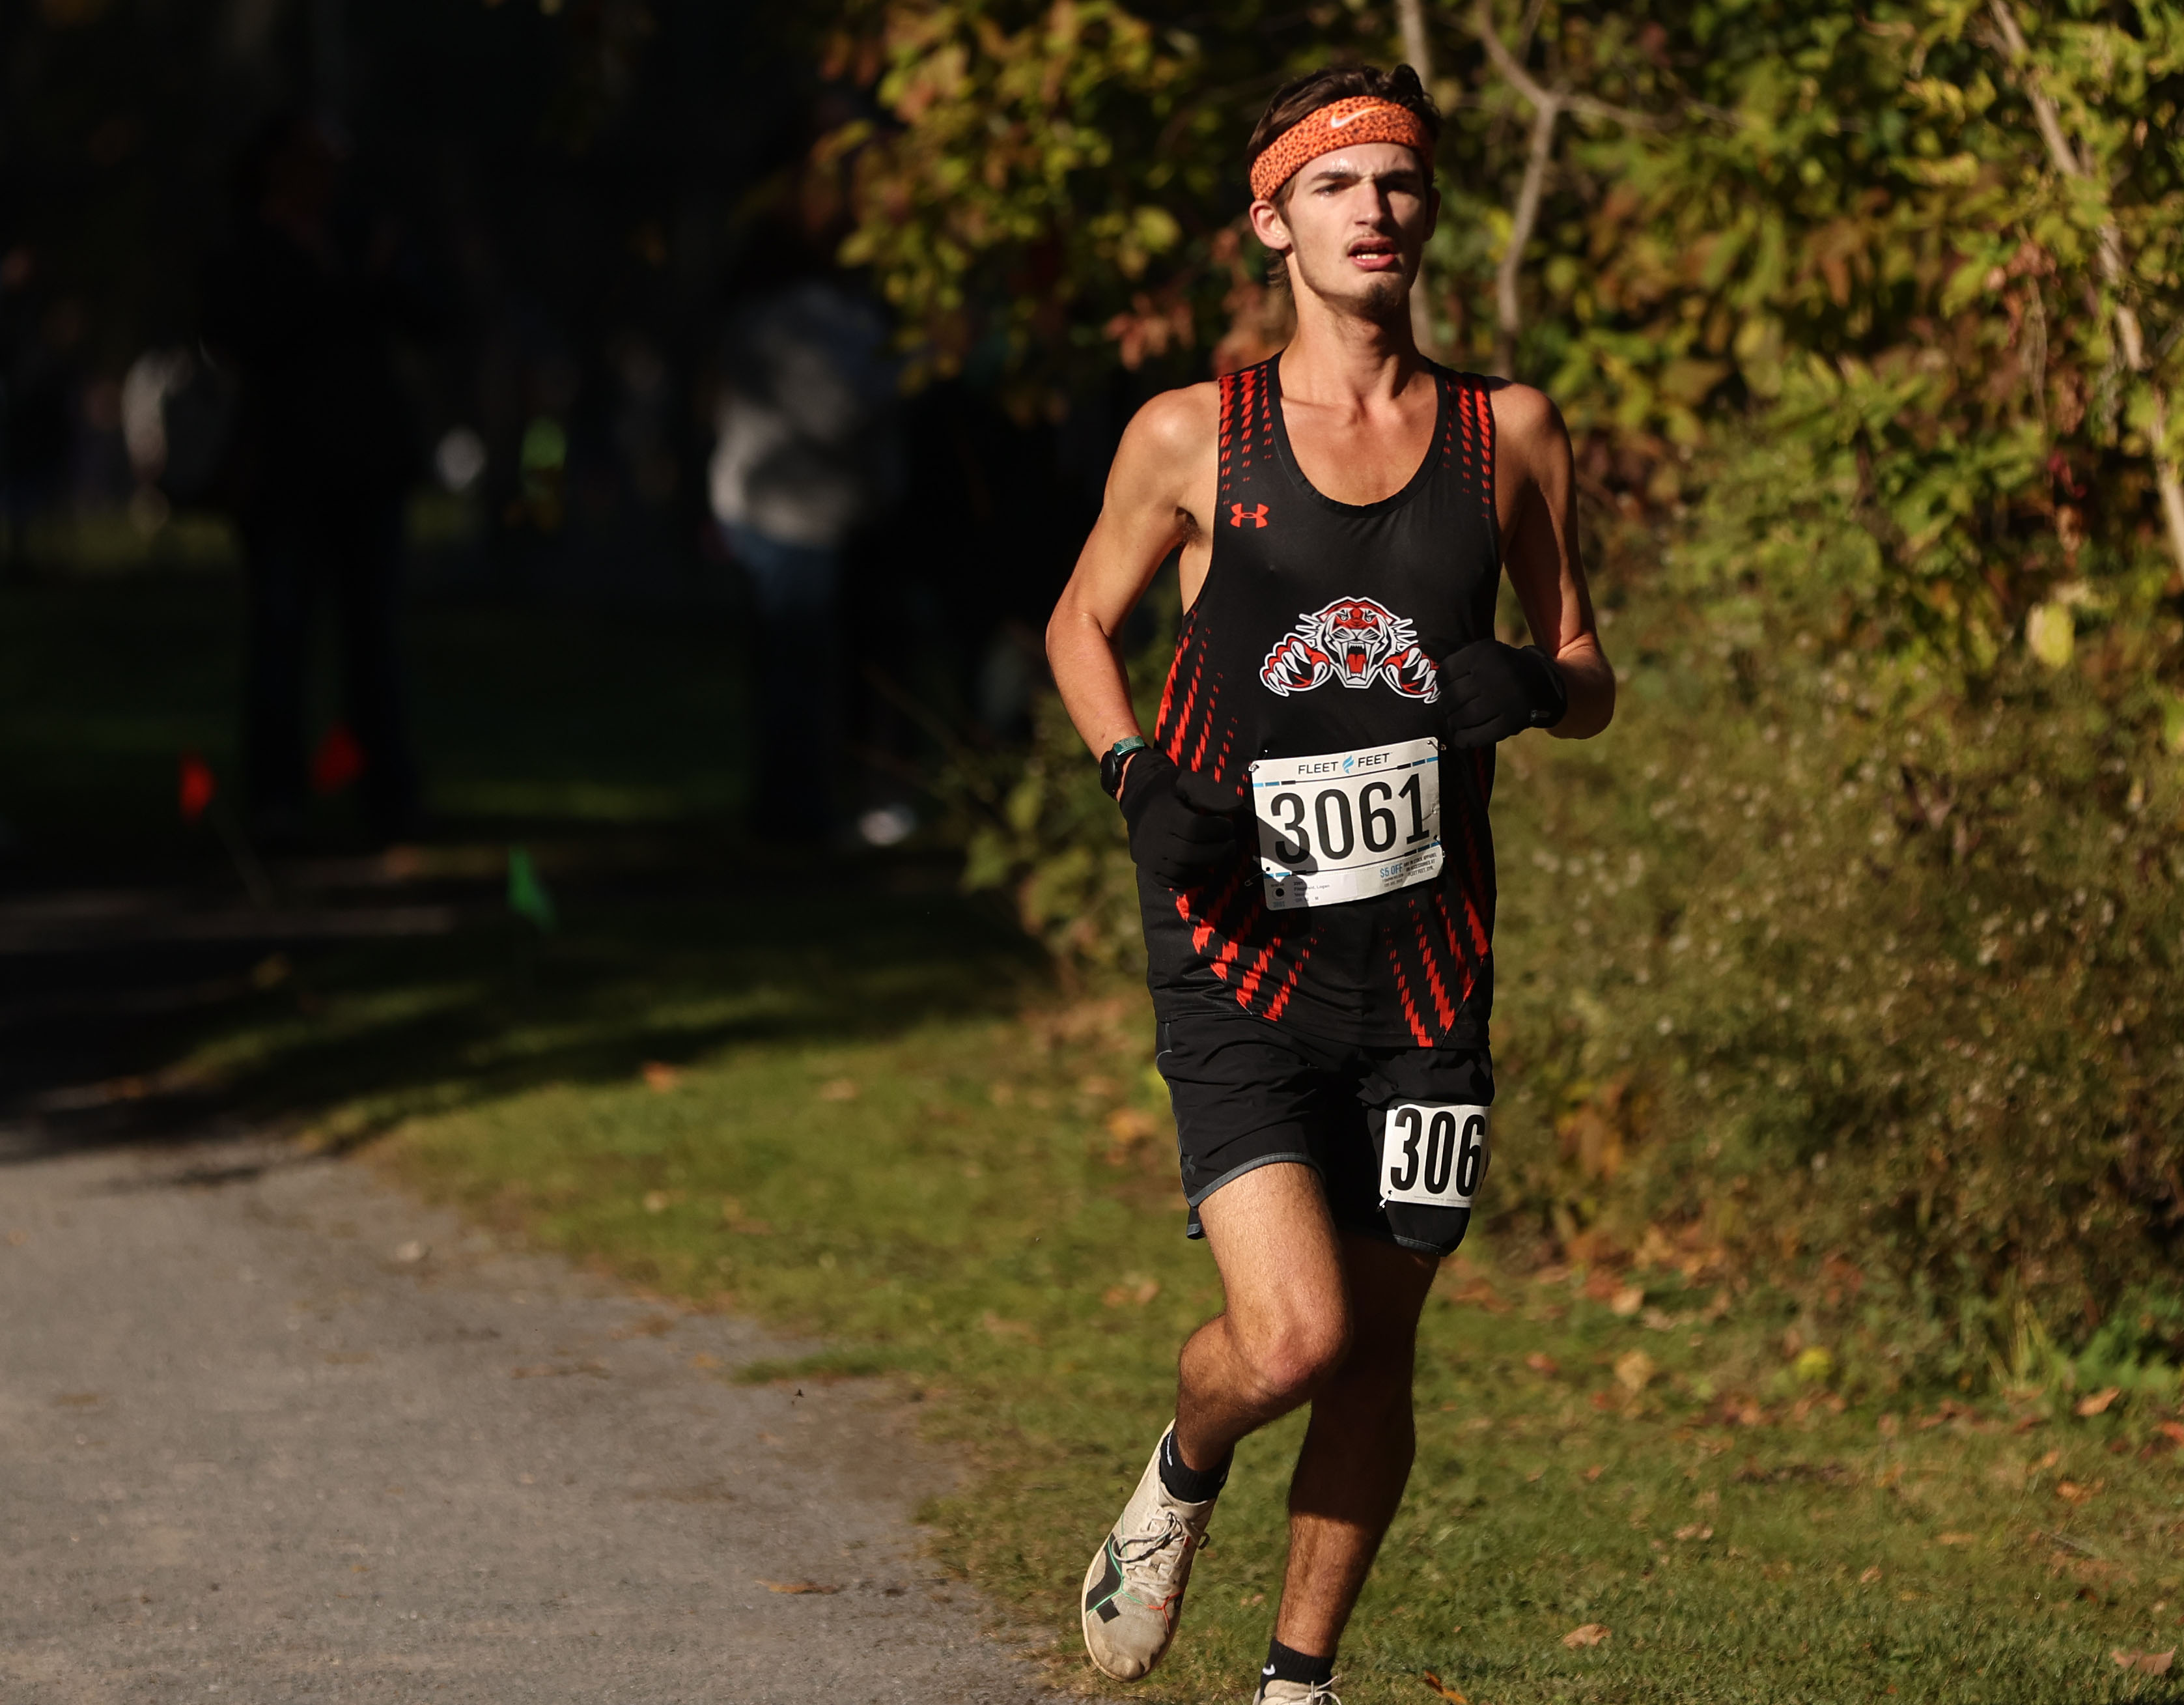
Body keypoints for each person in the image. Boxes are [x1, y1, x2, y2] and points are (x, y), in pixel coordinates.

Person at [1044, 63, 1614, 1705]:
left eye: (1401, 182)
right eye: (1337, 185)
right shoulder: (1193, 434)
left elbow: (1587, 667)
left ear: (1430, 214)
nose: (1376, 210)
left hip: (1429, 963)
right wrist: (1134, 774)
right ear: (1273, 223)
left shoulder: (1510, 432)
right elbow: (1080, 626)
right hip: (1235, 945)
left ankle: (1298, 1684)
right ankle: (1187, 1456)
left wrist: (1539, 685)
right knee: (1294, 1336)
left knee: (1378, 1349)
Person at [201, 113, 436, 849]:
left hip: (366, 469)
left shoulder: (356, 236)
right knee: (280, 638)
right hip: (285, 473)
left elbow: (428, 315)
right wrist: (353, 288)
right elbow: (253, 334)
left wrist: (376, 279)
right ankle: (279, 797)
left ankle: (386, 794)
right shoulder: (249, 249)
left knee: (374, 642)